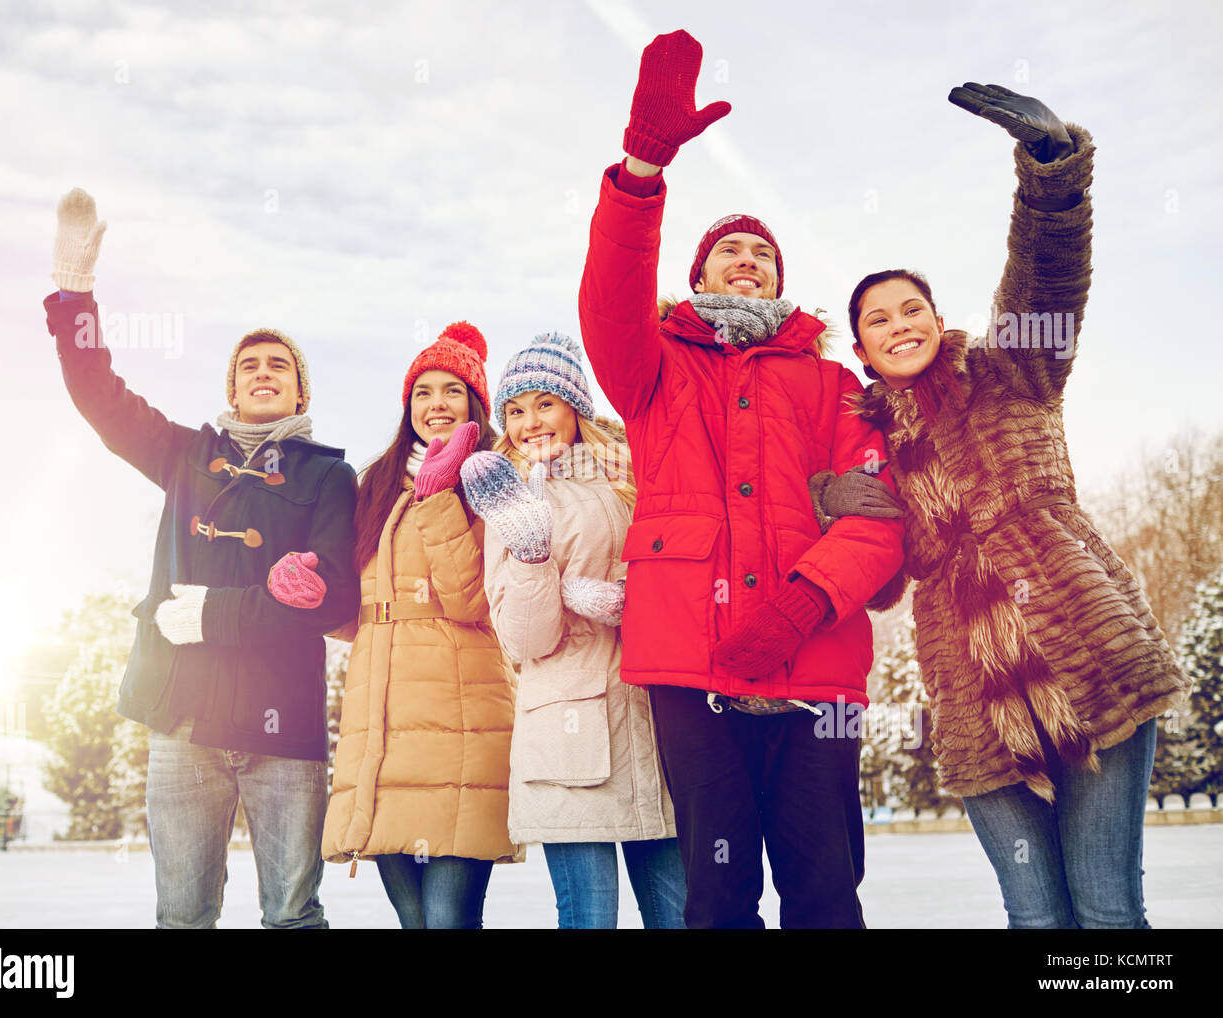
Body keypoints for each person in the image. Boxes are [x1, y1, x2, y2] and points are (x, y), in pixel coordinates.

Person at [840, 83, 1190, 928]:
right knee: (1035, 915)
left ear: (937, 317)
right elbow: (878, 586)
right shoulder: (864, 448)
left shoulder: (1008, 374)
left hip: (1087, 660)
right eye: (878, 320)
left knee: (1106, 909)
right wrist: (846, 505)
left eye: (911, 308)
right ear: (861, 348)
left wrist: (1050, 175)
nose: (899, 325)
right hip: (974, 697)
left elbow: (1046, 280)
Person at [577, 31, 905, 929]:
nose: (747, 262)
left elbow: (879, 518)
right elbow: (609, 297)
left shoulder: (835, 384)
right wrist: (641, 172)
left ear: (782, 281)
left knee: (826, 890)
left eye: (762, 255)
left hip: (819, 672)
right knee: (716, 895)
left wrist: (803, 604)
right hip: (693, 668)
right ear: (696, 275)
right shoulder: (652, 368)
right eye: (729, 253)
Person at [42, 188, 361, 929]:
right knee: (182, 917)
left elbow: (338, 598)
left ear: (298, 387)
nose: (262, 371)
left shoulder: (328, 477)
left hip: (286, 735)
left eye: (278, 364)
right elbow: (100, 397)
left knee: (292, 916)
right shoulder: (186, 455)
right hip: (183, 722)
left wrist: (216, 612)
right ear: (232, 386)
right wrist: (74, 292)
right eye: (248, 364)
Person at [460, 332, 686, 929]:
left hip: (655, 722)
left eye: (544, 404)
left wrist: (631, 602)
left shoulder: (631, 477)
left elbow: (676, 582)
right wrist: (535, 558)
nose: (530, 422)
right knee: (589, 917)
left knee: (680, 913)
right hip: (569, 736)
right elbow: (523, 641)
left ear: (575, 407)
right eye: (515, 410)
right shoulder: (508, 499)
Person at [319, 322, 521, 929]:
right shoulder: (376, 484)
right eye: (423, 392)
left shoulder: (493, 475)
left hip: (464, 717)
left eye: (452, 391)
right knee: (415, 921)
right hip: (380, 723)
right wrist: (314, 594)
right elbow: (360, 613)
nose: (436, 404)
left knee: (446, 918)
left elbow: (467, 599)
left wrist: (439, 493)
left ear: (475, 405)